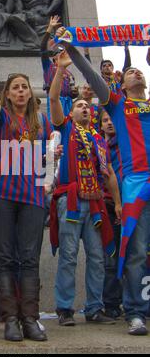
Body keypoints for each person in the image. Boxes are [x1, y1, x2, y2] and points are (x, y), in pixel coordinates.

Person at [58, 26, 150, 336]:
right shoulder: (117, 106)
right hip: (137, 184)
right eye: (130, 72)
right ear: (121, 85)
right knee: (136, 252)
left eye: (139, 70)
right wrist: (71, 49)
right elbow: (90, 74)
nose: (135, 72)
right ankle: (135, 311)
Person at [0, 70, 51, 342]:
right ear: (7, 94)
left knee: (29, 259)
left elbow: (49, 155)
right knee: (5, 258)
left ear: (30, 93)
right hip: (2, 194)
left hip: (33, 196)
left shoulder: (42, 122)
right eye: (15, 87)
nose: (20, 91)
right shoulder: (2, 117)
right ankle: (10, 320)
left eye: (24, 87)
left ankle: (30, 319)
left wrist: (48, 182)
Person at [49, 49, 122, 327]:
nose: (85, 109)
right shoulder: (66, 127)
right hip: (70, 200)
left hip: (95, 204)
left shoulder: (98, 140)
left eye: (88, 108)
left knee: (97, 256)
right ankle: (65, 308)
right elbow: (54, 98)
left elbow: (110, 174)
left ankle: (94, 308)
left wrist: (116, 202)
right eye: (80, 106)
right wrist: (60, 69)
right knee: (68, 256)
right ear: (72, 111)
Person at [99, 110, 123, 319]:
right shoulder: (98, 146)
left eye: (112, 120)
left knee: (134, 254)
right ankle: (111, 303)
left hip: (131, 203)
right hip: (107, 204)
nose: (109, 123)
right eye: (105, 120)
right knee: (110, 256)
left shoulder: (127, 145)